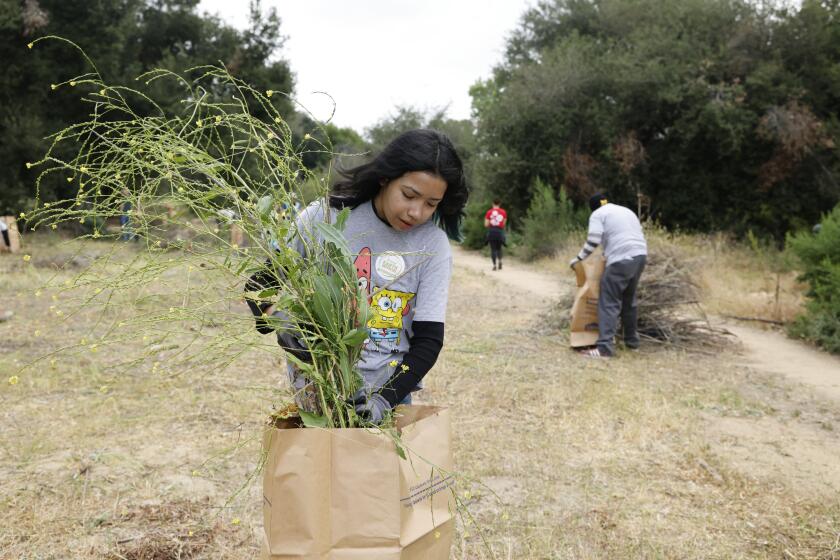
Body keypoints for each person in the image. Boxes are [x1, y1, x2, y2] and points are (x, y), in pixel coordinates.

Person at [246, 129, 468, 423]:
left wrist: (383, 400)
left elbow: (428, 341)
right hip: (319, 394)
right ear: (385, 178)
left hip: (388, 398)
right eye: (409, 195)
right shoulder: (324, 217)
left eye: (431, 204)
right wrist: (277, 317)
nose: (416, 212)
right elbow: (258, 286)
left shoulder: (432, 245)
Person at [570, 193, 647, 358]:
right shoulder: (625, 211)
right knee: (629, 300)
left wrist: (578, 259)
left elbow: (593, 240)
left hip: (622, 259)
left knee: (608, 301)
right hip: (640, 256)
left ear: (593, 207)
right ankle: (632, 343)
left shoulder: (598, 214)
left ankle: (604, 348)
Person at [484, 199, 507, 270]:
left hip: (492, 232)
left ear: (492, 203)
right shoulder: (503, 212)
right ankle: (500, 261)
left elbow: (486, 224)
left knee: (493, 249)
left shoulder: (489, 212)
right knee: (499, 248)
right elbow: (503, 224)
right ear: (499, 204)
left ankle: (494, 265)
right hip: (499, 232)